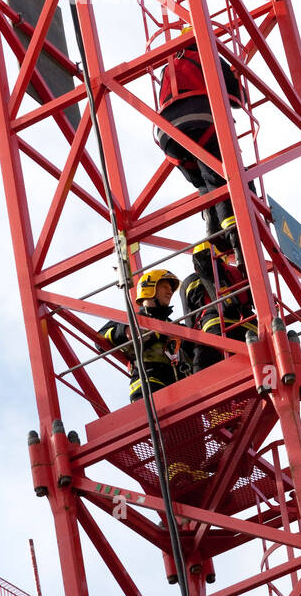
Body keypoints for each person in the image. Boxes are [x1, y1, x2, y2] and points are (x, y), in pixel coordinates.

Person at [156, 27, 243, 251]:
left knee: (204, 181)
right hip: (200, 120)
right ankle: (236, 238)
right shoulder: (206, 54)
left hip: (167, 136)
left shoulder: (167, 67)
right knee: (222, 177)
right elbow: (238, 97)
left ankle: (212, 229)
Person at [99, 268, 185, 402]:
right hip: (147, 382)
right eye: (164, 287)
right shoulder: (132, 320)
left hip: (178, 386)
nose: (169, 292)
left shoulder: (175, 326)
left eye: (170, 289)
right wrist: (125, 331)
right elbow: (99, 341)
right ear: (149, 289)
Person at [180, 241, 254, 374]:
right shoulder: (238, 272)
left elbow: (190, 321)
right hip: (250, 328)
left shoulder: (190, 281)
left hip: (214, 331)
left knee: (203, 380)